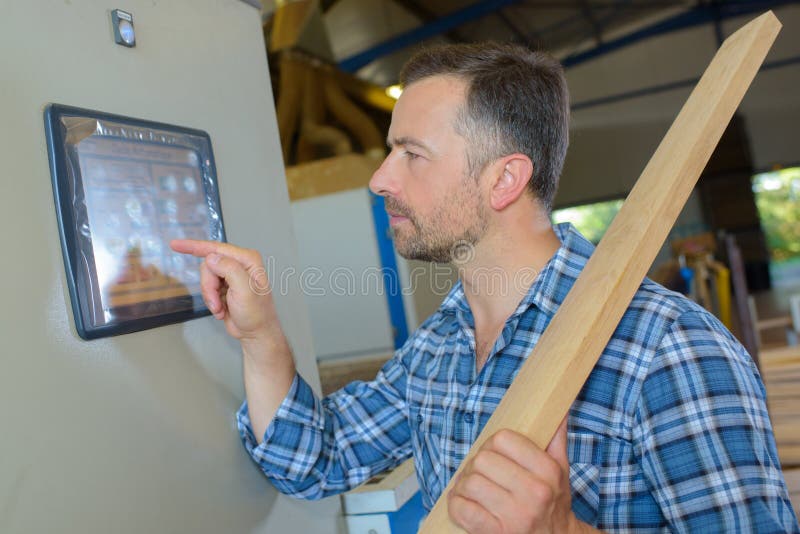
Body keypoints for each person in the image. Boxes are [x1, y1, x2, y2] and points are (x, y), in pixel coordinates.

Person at [171, 42, 799, 533]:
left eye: (411, 154)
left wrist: (564, 532)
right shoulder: (441, 344)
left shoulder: (669, 349)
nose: (381, 179)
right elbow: (318, 459)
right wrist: (260, 337)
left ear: (504, 180)